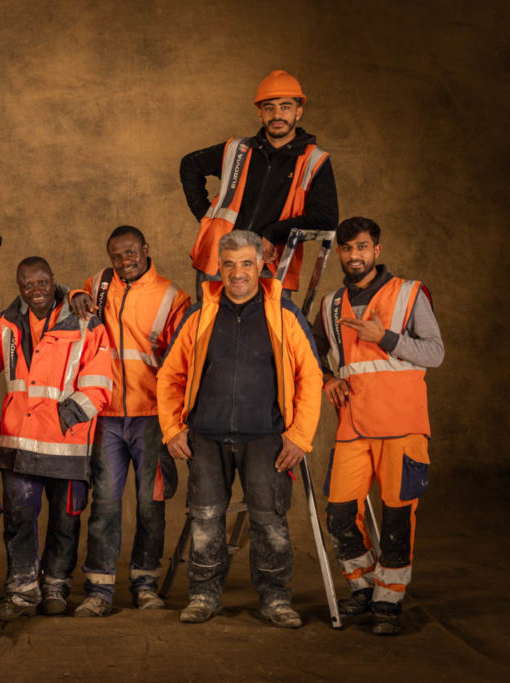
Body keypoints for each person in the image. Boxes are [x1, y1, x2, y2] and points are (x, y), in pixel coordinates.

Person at [156, 230, 322, 628]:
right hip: (206, 437)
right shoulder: (201, 315)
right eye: (228, 264)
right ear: (219, 267)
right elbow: (169, 376)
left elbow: (311, 377)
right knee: (206, 518)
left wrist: (299, 437)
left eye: (246, 263)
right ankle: (203, 596)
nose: (237, 273)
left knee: (269, 522)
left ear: (261, 265)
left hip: (267, 437)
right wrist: (172, 429)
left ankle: (276, 600)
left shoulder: (285, 314)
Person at [0, 257, 112, 619]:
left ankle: (56, 585)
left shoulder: (86, 322)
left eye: (42, 282)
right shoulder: (6, 324)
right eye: (28, 285)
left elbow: (100, 382)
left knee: (65, 521)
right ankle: (23, 591)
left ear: (54, 279)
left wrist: (65, 416)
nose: (36, 290)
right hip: (19, 445)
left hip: (68, 444)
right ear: (19, 288)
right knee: (20, 521)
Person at [313, 217, 444, 635]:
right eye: (348, 248)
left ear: (377, 251)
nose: (355, 255)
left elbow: (435, 353)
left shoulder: (408, 293)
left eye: (363, 247)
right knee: (338, 512)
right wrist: (326, 378)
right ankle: (365, 587)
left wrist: (384, 335)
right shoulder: (330, 303)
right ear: (341, 253)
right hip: (353, 423)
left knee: (396, 516)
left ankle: (390, 600)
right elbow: (311, 354)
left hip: (404, 426)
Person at [68, 225, 191, 616]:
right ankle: (99, 589)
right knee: (104, 503)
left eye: (131, 253)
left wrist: (177, 421)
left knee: (149, 504)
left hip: (152, 417)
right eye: (117, 256)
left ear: (146, 249)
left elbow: (181, 362)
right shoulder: (102, 284)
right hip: (105, 416)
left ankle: (145, 583)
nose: (125, 261)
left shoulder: (173, 296)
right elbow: (76, 295)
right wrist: (77, 295)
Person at [180, 70, 338, 299]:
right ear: (260, 113)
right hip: (219, 262)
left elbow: (327, 217)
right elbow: (190, 165)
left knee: (268, 335)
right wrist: (207, 218)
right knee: (209, 332)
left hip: (270, 269)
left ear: (299, 111)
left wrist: (273, 234)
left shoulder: (314, 161)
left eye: (285, 107)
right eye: (269, 107)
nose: (277, 115)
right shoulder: (238, 150)